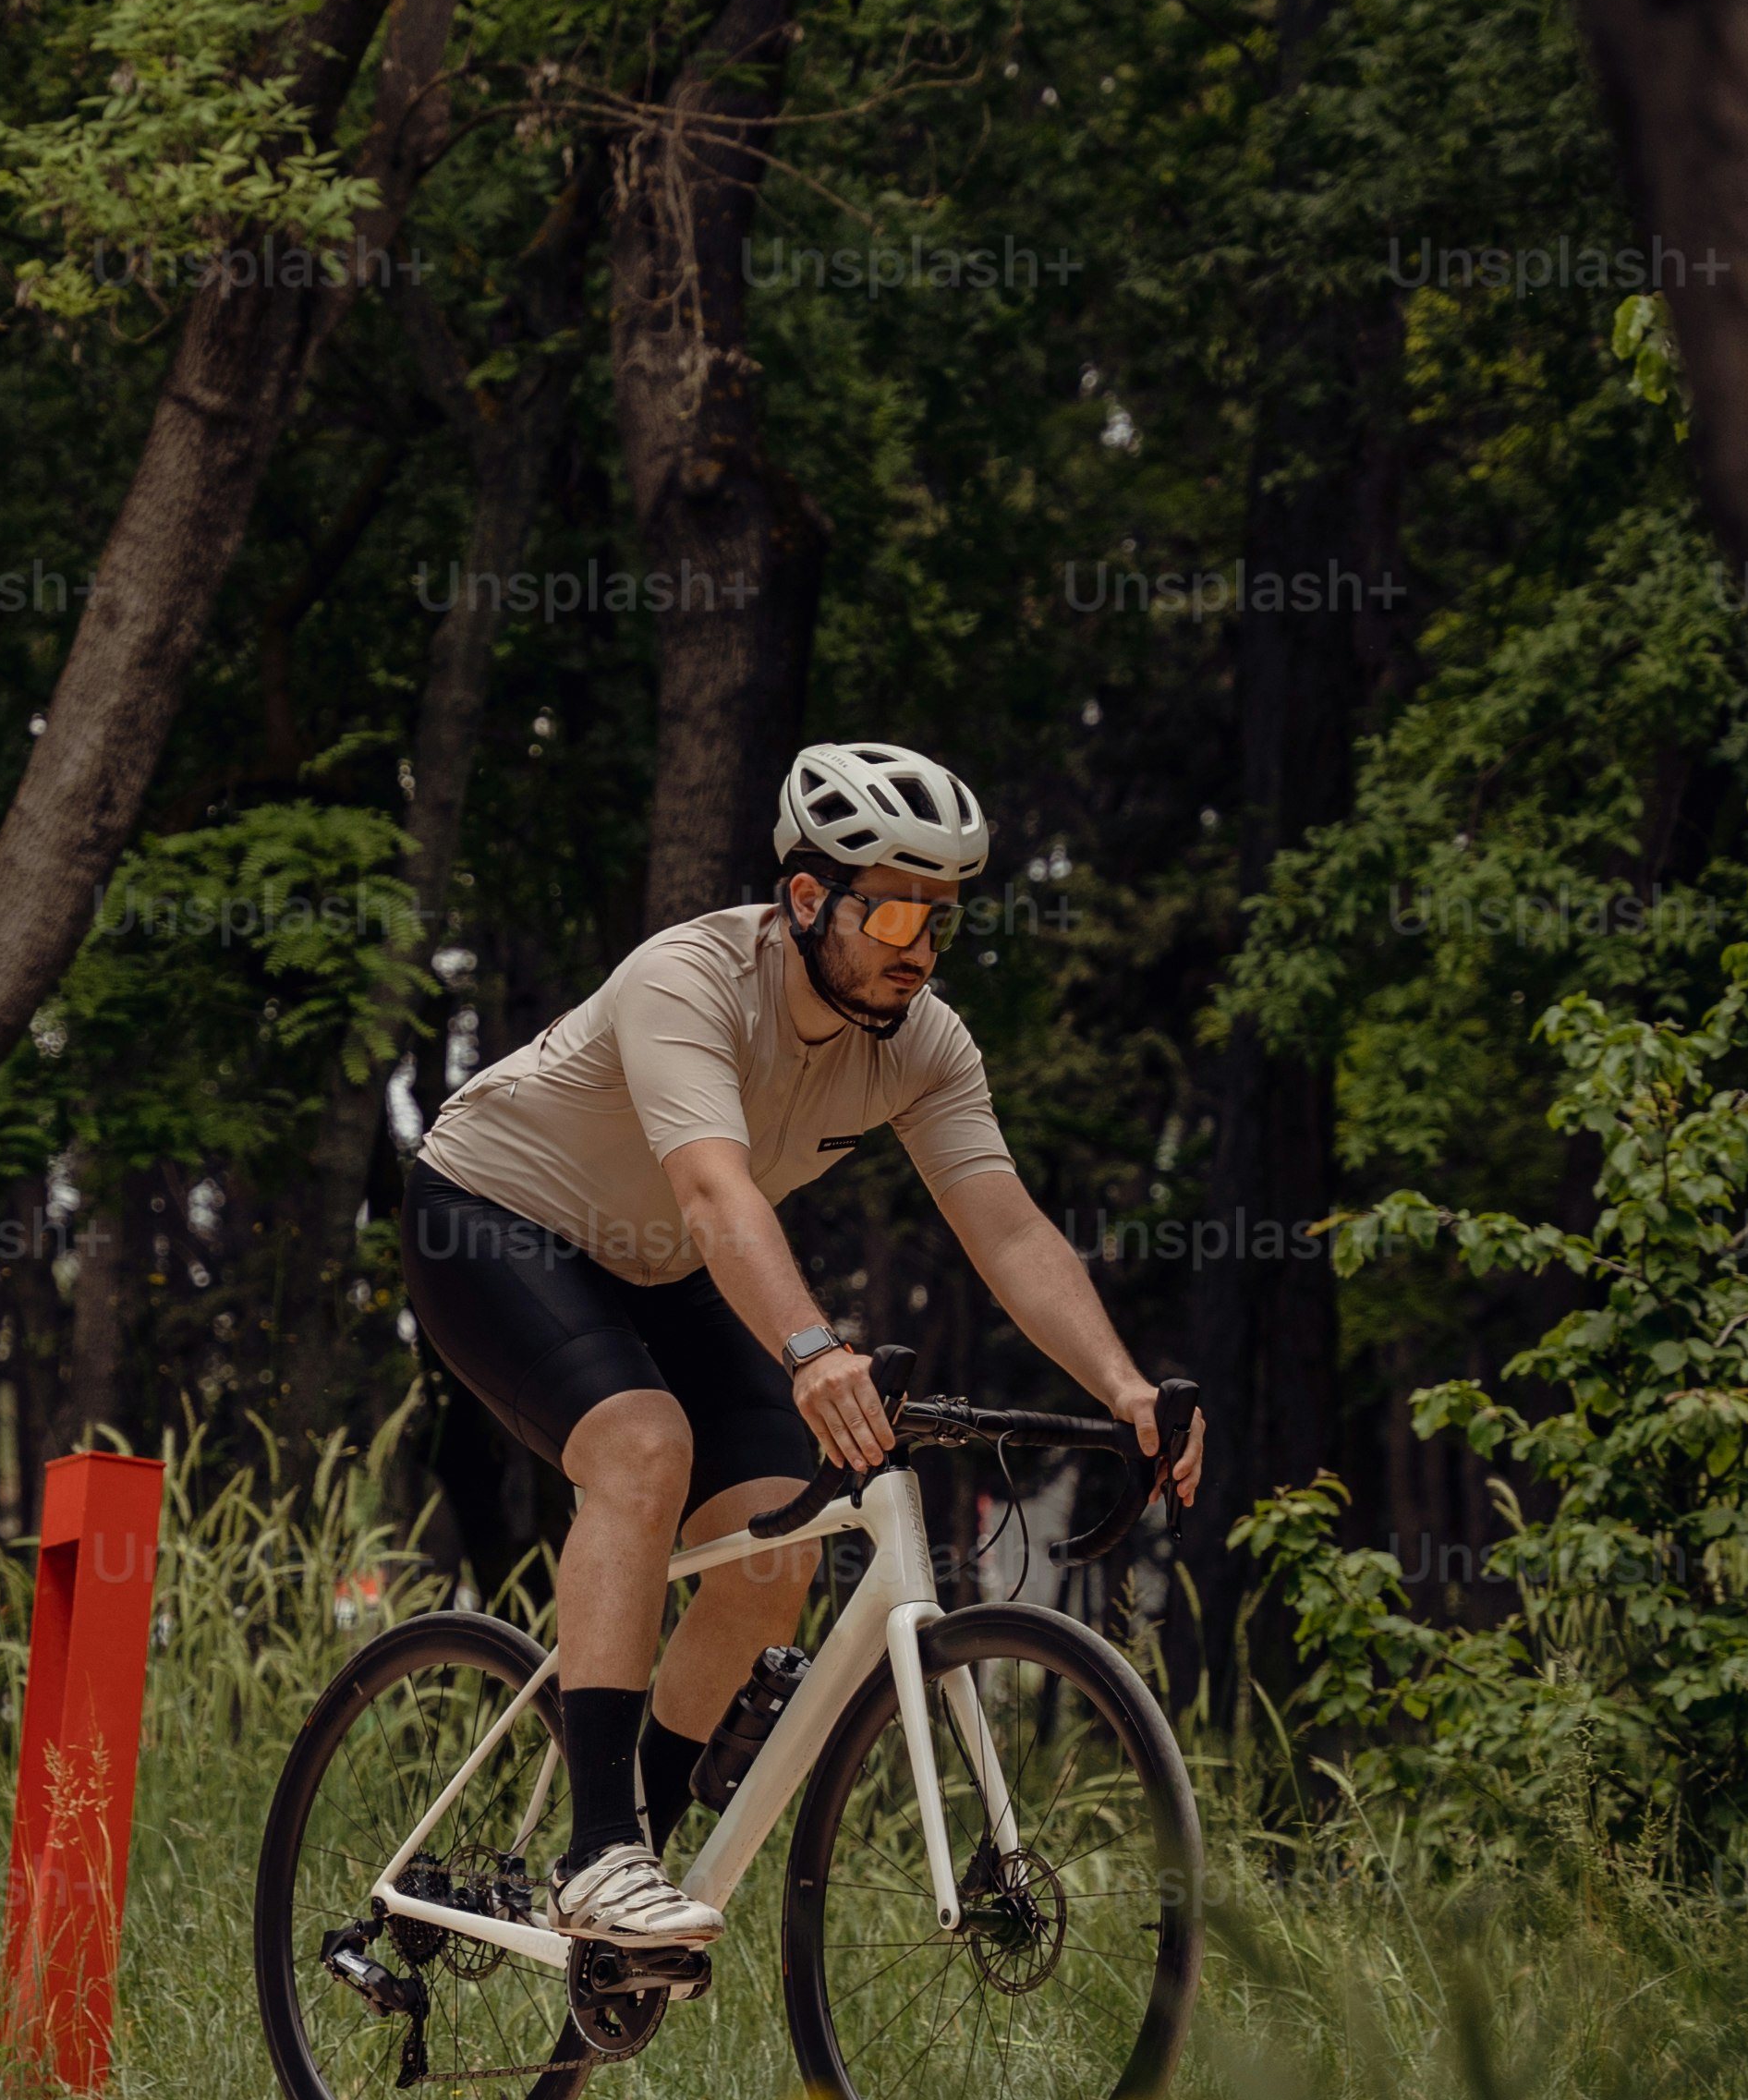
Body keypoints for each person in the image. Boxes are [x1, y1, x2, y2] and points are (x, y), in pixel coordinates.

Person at [401, 739, 1206, 1960]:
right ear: (805, 898)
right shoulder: (691, 979)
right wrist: (814, 1348)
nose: (917, 944)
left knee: (777, 1536)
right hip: (490, 1219)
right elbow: (722, 1199)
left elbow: (1007, 1228)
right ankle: (597, 1848)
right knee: (640, 1443)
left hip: (658, 1261)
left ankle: (638, 1871)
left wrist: (1124, 1386)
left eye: (942, 917)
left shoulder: (925, 1043)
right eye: (891, 908)